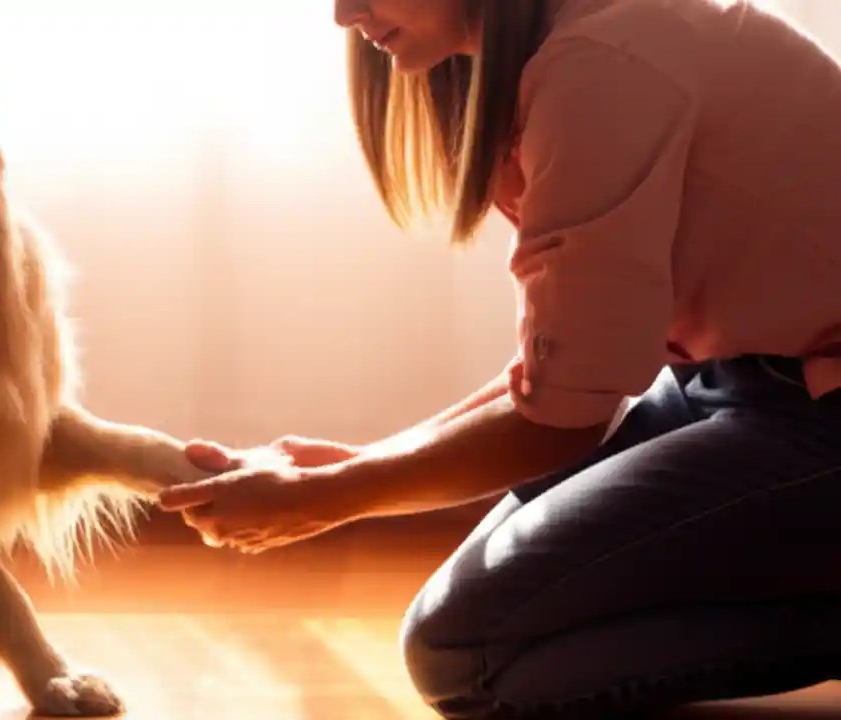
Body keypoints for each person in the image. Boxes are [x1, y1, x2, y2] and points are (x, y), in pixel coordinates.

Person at [156, 0, 841, 717]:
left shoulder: (603, 61)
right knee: (464, 643)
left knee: (460, 657)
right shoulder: (562, 51)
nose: (342, 14)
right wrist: (355, 465)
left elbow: (564, 418)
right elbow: (563, 375)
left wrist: (328, 499)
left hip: (817, 411)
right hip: (730, 383)